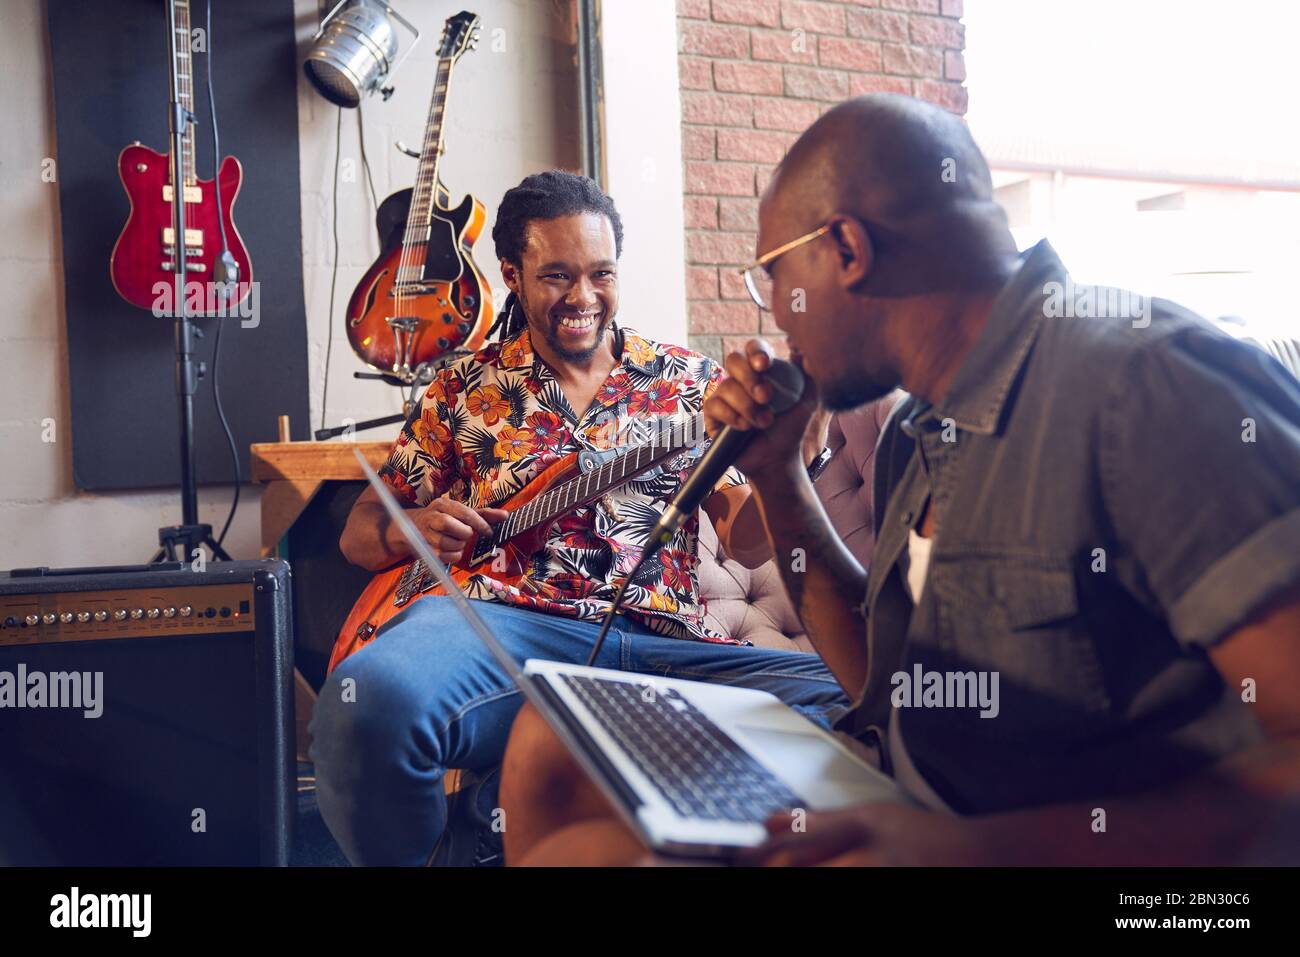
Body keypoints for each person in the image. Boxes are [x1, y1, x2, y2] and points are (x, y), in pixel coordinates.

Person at [499, 95, 1300, 866]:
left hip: (1012, 841)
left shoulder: (1150, 388)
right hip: (896, 785)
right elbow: (891, 684)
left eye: (772, 276)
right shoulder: (921, 428)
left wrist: (973, 853)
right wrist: (777, 476)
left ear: (847, 249)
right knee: (551, 749)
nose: (774, 313)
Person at [309, 170, 846, 865]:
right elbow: (358, 533)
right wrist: (408, 527)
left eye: (601, 274)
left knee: (857, 699)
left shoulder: (687, 382)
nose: (584, 297)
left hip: (661, 637)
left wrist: (799, 458)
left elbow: (746, 541)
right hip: (501, 627)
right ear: (511, 273)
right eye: (558, 275)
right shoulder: (462, 388)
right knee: (367, 706)